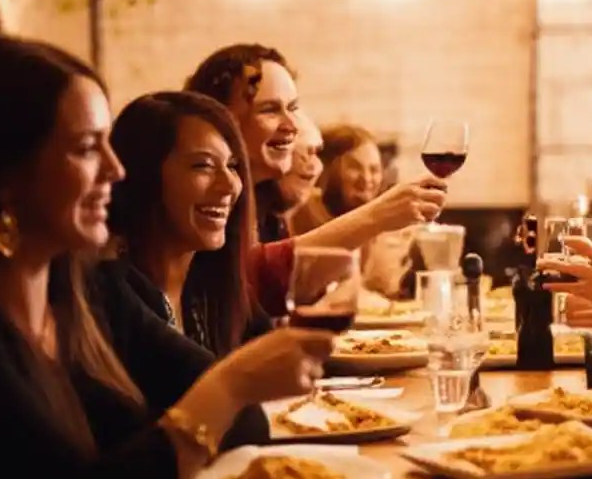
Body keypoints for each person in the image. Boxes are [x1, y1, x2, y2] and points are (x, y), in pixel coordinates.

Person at [0, 36, 334, 479]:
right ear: (6, 175)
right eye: (87, 147)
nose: (116, 170)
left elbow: (244, 422)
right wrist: (226, 388)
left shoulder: (80, 296)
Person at [183, 44, 446, 314]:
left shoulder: (266, 207)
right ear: (220, 121)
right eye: (270, 110)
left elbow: (290, 296)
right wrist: (376, 216)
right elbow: (245, 282)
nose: (293, 126)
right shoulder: (203, 203)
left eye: (293, 108)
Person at [101, 91, 268, 355]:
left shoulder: (212, 283)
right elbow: (211, 381)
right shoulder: (110, 289)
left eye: (232, 165)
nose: (230, 186)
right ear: (145, 175)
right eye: (203, 165)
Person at [291, 123, 415, 298]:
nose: (366, 179)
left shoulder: (382, 223)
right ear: (328, 168)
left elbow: (384, 289)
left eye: (374, 169)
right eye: (355, 167)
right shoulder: (305, 210)